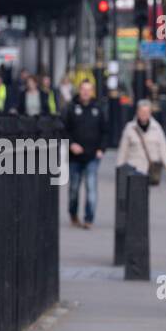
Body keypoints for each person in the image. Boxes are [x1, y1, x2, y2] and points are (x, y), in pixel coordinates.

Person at [64, 78, 106, 229]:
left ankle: (89, 218)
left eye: (89, 90)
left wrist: (101, 148)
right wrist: (71, 144)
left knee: (91, 187)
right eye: (83, 89)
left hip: (92, 156)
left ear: (92, 92)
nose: (86, 92)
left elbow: (105, 131)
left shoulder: (98, 109)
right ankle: (73, 213)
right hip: (75, 156)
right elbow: (64, 130)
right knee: (74, 188)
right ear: (79, 90)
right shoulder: (71, 108)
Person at [117, 99, 166, 180]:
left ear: (150, 113)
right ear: (137, 112)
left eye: (147, 112)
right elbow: (123, 150)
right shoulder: (129, 128)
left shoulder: (157, 128)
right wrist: (119, 168)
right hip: (134, 171)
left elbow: (163, 148)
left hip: (151, 171)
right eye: (142, 111)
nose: (144, 114)